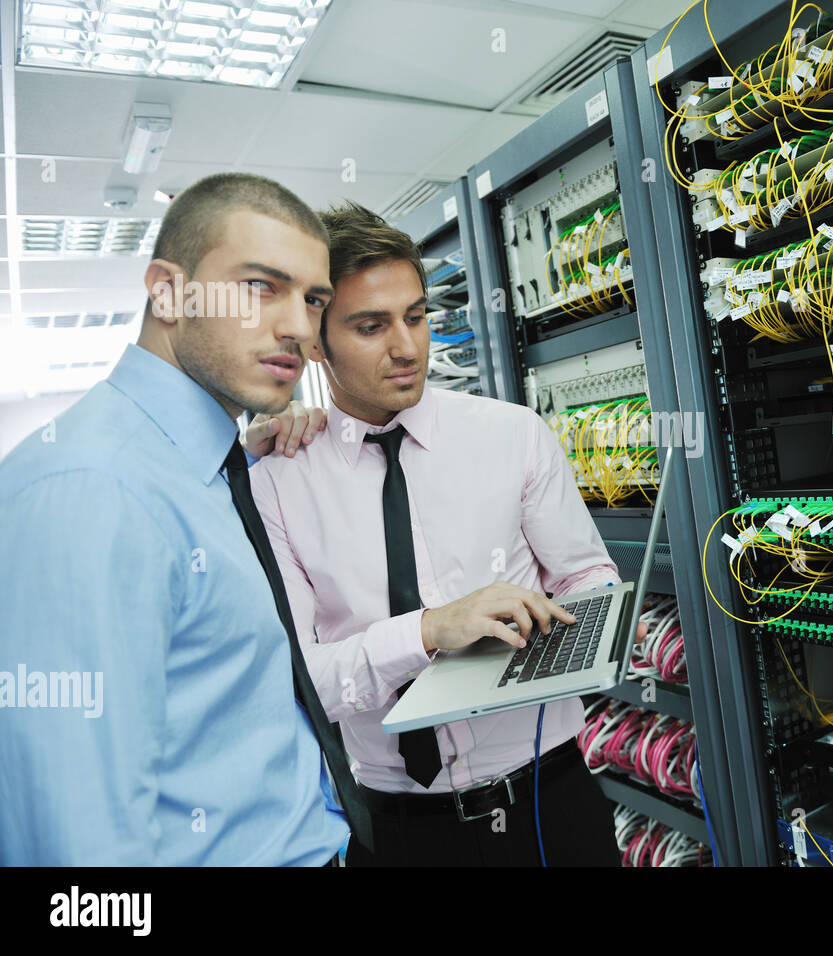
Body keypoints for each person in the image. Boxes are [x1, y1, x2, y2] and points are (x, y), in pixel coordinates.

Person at [248, 201, 631, 866]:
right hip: (398, 828)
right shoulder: (277, 482)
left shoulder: (513, 435)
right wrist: (428, 632)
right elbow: (299, 680)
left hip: (549, 798)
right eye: (371, 327)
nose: (407, 346)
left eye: (417, 316)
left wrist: (565, 629)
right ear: (314, 341)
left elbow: (588, 577)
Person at [0, 173, 364, 865]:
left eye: (313, 299)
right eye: (261, 286)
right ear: (167, 291)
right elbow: (78, 861)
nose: (298, 327)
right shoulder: (91, 490)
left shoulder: (204, 471)